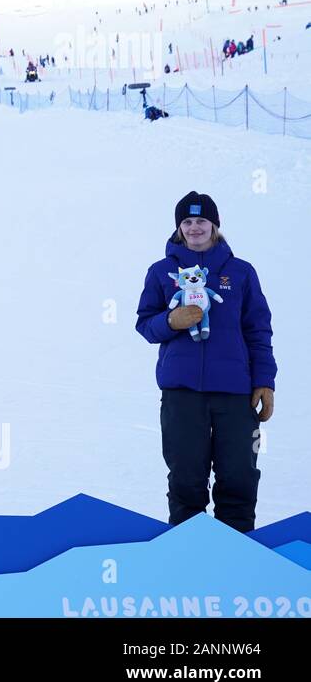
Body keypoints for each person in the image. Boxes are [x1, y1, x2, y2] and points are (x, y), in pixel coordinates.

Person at [135, 192, 276, 533]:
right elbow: (145, 324)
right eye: (187, 222)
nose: (194, 227)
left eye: (201, 221)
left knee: (240, 475)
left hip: (234, 393)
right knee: (186, 477)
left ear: (215, 225)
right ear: (178, 229)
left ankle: (238, 551)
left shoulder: (241, 272)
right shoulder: (161, 272)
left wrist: (264, 382)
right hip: (181, 393)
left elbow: (258, 330)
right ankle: (189, 556)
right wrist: (170, 321)